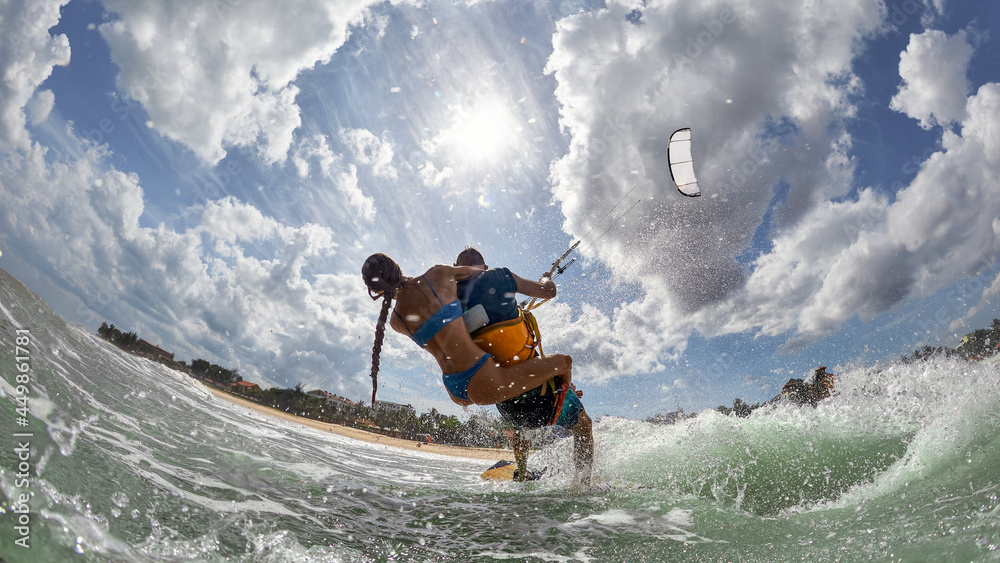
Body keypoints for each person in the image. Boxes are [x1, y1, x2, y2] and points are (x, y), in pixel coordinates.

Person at [361, 252, 572, 410]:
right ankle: (566, 393)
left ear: (377, 292)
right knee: (564, 362)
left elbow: (438, 330)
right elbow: (477, 273)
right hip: (482, 379)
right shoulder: (438, 274)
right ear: (396, 266)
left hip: (454, 389)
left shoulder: (396, 322)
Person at [454, 247, 593, 483]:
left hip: (506, 401)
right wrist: (545, 277)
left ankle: (522, 471)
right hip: (541, 398)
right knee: (583, 425)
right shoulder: (500, 276)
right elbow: (548, 291)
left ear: (456, 271)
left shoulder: (451, 301)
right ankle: (582, 485)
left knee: (517, 424)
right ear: (484, 268)